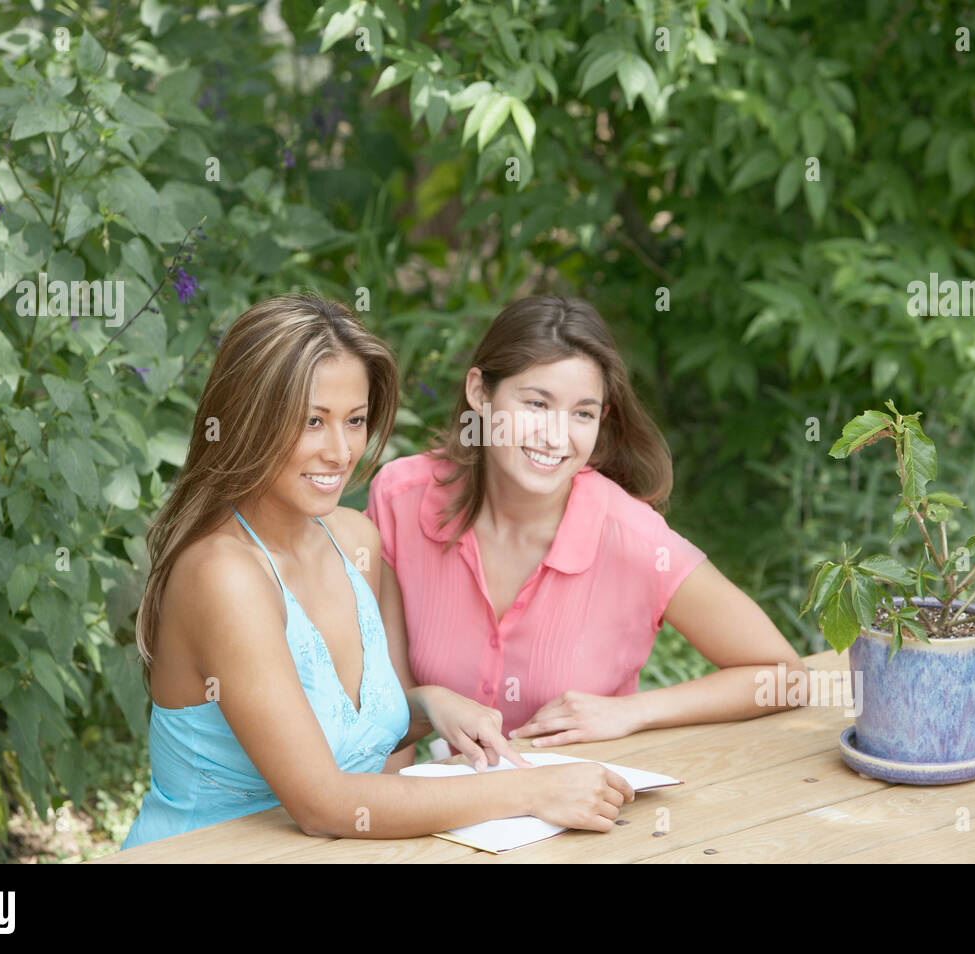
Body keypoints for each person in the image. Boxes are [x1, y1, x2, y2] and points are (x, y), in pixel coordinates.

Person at [121, 294, 634, 849]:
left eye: (355, 420)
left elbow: (347, 738)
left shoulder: (354, 541)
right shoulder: (223, 575)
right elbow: (323, 803)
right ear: (248, 417)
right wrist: (533, 789)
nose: (340, 451)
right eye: (312, 422)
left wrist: (426, 705)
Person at [368, 296, 808, 773]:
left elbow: (785, 678)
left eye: (582, 414)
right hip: (458, 817)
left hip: (589, 820)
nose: (556, 437)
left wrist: (630, 712)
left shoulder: (634, 538)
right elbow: (389, 712)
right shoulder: (402, 498)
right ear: (480, 392)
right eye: (537, 404)